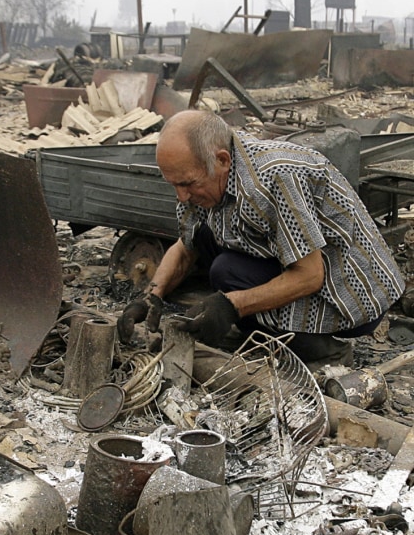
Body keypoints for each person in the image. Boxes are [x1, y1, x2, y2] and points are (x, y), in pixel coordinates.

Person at [118, 109, 406, 366]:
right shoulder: (211, 170)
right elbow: (186, 246)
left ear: (222, 160)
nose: (181, 196)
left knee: (226, 272)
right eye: (174, 186)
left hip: (350, 292)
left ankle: (325, 351)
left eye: (188, 184)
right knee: (205, 235)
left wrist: (232, 305)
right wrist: (149, 298)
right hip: (300, 264)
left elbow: (310, 276)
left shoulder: (275, 178)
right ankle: (255, 325)